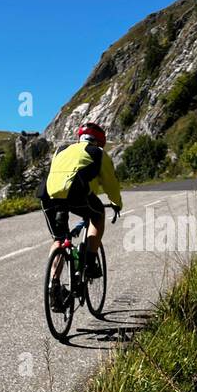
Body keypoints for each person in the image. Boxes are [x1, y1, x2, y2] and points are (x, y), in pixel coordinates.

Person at [39, 122, 122, 296]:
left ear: (80, 138)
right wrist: (116, 203)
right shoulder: (99, 153)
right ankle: (90, 262)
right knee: (97, 216)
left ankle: (53, 287)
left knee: (59, 240)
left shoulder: (61, 150)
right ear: (100, 141)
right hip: (76, 194)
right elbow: (111, 184)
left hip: (48, 195)